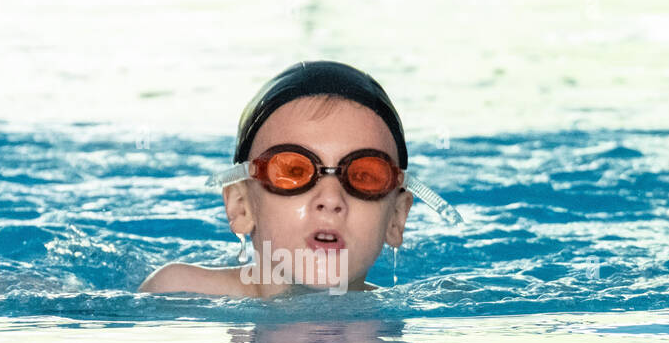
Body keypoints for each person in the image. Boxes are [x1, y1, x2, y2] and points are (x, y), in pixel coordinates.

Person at [137, 59, 461, 297]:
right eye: (293, 171)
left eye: (364, 175)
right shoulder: (181, 293)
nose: (331, 200)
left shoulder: (435, 306)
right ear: (241, 206)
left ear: (397, 218)